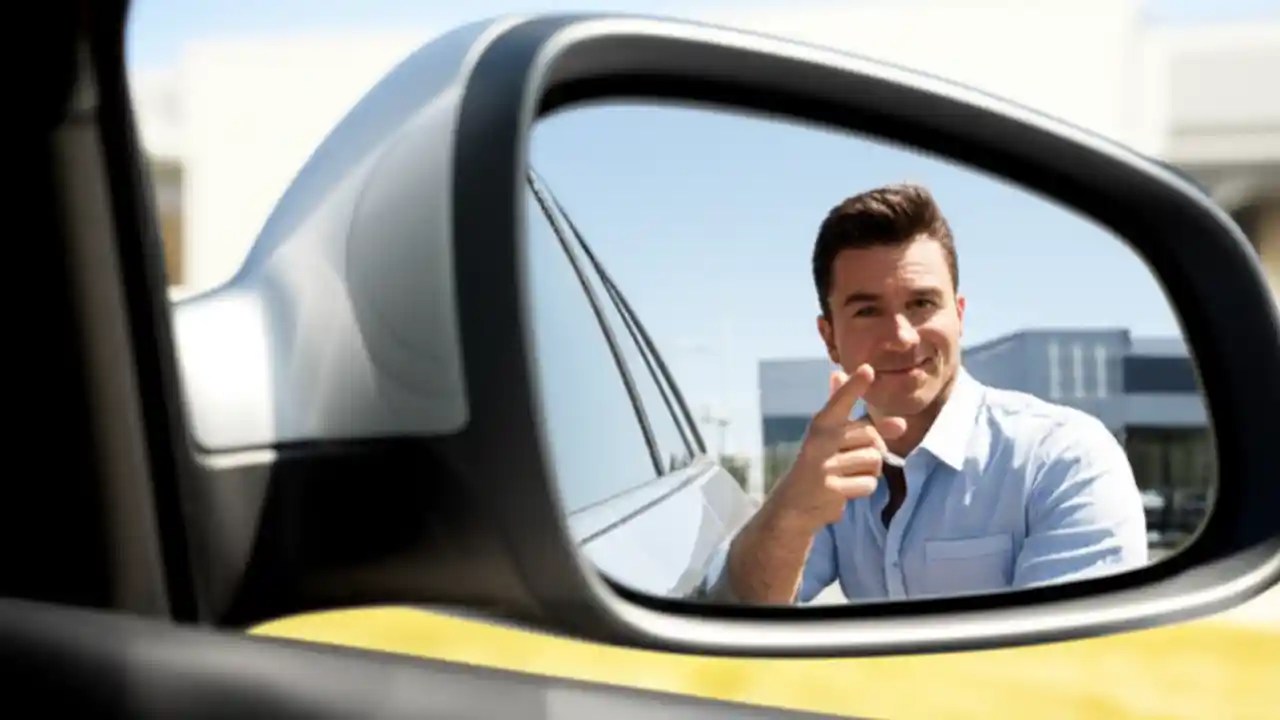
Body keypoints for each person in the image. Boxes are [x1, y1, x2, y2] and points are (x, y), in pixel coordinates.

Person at [702, 182, 1148, 604]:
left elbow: (1076, 659)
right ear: (829, 339)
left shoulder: (1063, 460)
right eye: (867, 311)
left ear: (958, 315)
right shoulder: (832, 473)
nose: (900, 336)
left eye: (921, 304)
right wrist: (792, 511)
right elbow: (736, 612)